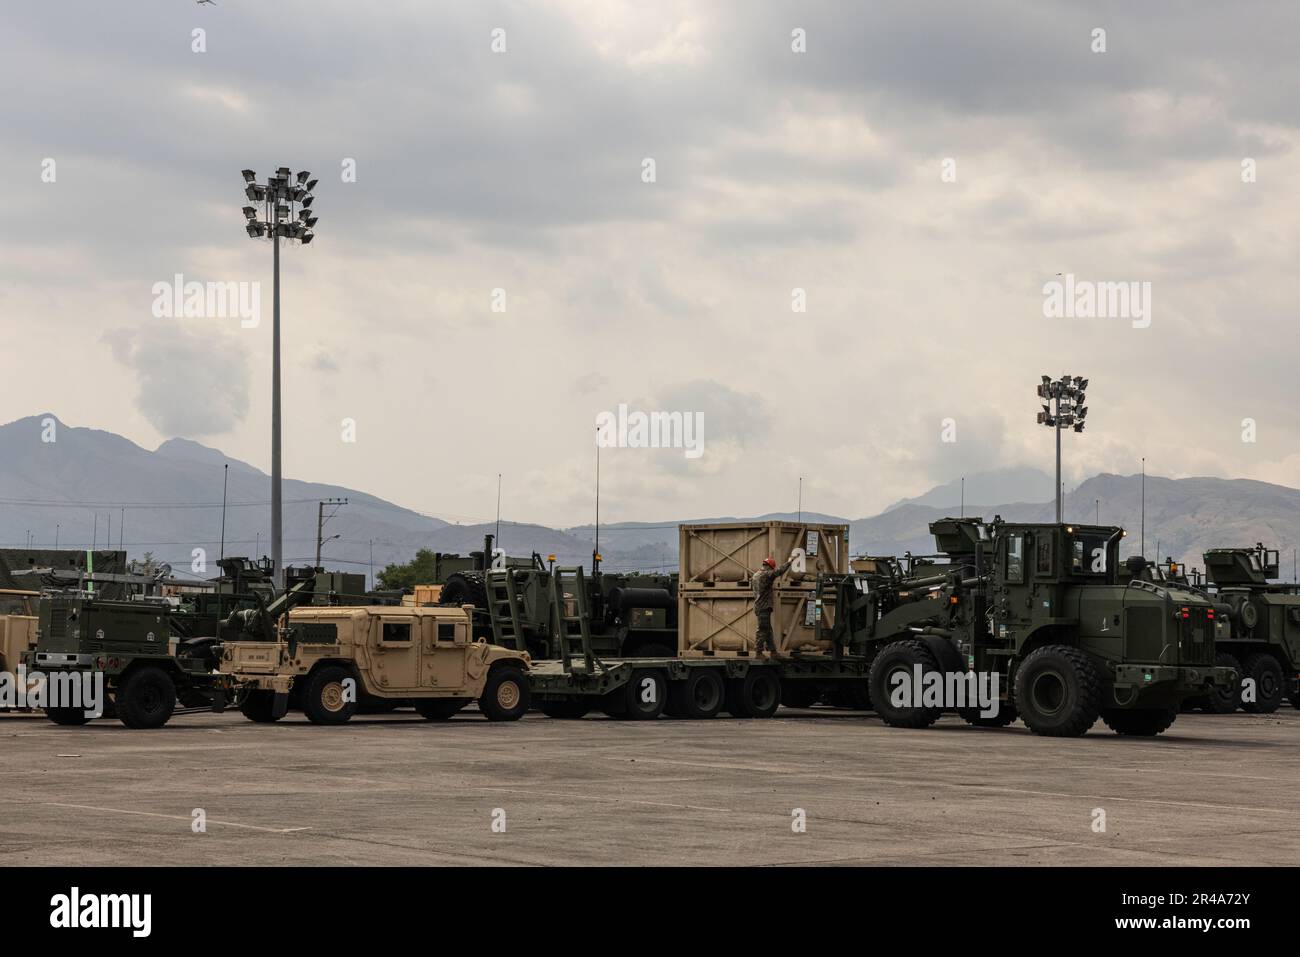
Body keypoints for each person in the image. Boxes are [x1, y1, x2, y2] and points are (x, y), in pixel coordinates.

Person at [752, 556, 793, 656]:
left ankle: (773, 651)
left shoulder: (755, 575)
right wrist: (789, 562)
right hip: (763, 607)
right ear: (769, 567)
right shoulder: (765, 575)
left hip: (759, 606)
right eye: (772, 568)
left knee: (768, 630)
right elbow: (778, 572)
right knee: (762, 630)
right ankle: (758, 652)